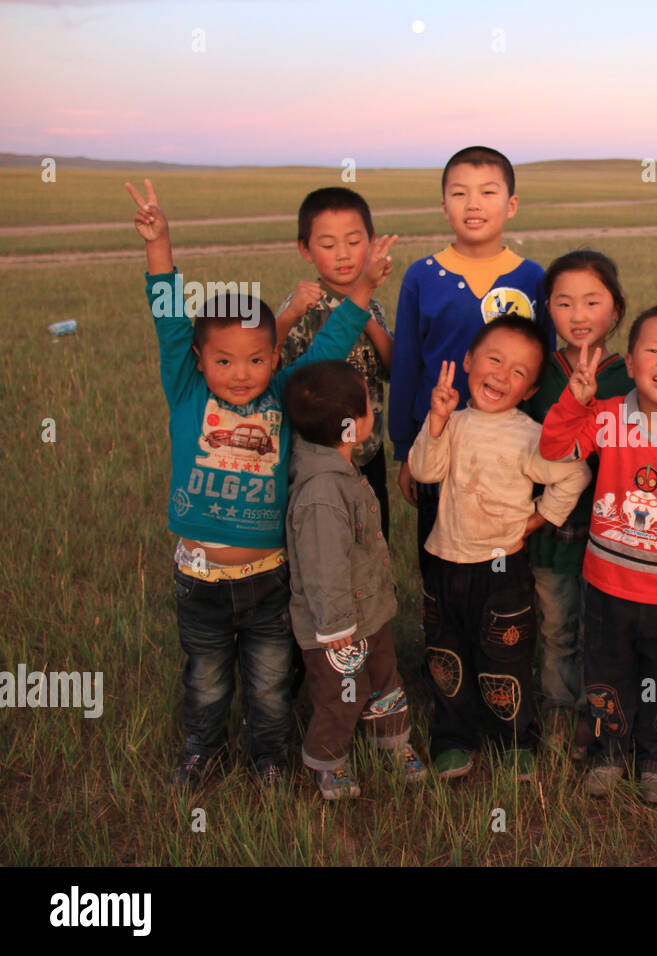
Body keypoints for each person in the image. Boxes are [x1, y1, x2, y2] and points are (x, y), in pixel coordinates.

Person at [127, 179, 396, 787]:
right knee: (206, 675)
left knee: (270, 679)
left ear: (276, 358)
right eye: (224, 361)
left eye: (256, 359)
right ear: (199, 362)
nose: (241, 373)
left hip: (269, 576)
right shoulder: (186, 390)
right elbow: (169, 319)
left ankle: (269, 758)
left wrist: (363, 290)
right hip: (199, 576)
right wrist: (160, 244)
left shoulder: (282, 393)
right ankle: (202, 751)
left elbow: (330, 340)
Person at [540, 305, 657, 804]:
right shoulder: (608, 418)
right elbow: (555, 451)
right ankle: (610, 751)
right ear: (629, 362)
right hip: (606, 585)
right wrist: (574, 403)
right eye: (652, 350)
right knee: (608, 675)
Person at [408, 318, 590, 783]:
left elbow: (573, 474)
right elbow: (425, 473)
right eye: (494, 360)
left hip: (501, 566)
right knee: (446, 654)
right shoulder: (451, 422)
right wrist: (436, 420)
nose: (501, 376)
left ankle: (514, 740)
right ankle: (452, 738)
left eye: (519, 372)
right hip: (445, 561)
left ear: (530, 389)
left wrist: (541, 518)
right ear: (469, 361)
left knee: (503, 656)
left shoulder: (529, 433)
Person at [388, 146, 555, 653]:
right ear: (443, 206)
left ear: (512, 204)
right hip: (440, 444)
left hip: (507, 452)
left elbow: (543, 368)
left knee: (503, 563)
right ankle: (445, 659)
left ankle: (502, 662)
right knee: (439, 560)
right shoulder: (422, 276)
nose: (473, 203)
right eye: (459, 193)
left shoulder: (532, 278)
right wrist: (404, 450)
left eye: (487, 192)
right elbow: (407, 364)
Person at [283, 361, 424, 799]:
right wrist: (338, 628)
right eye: (369, 404)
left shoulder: (340, 470)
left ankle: (394, 743)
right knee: (342, 693)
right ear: (350, 426)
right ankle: (329, 761)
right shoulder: (323, 494)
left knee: (385, 680)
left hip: (370, 613)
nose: (374, 410)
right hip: (339, 629)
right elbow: (325, 569)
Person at [519, 250, 633, 760]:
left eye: (593, 301)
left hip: (612, 528)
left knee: (604, 629)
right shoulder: (538, 373)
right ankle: (560, 714)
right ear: (548, 310)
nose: (579, 314)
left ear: (616, 309)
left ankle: (603, 716)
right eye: (564, 303)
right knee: (556, 625)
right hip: (550, 528)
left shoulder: (632, 375)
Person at [275, 186, 394, 538]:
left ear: (371, 241)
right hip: (316, 457)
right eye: (328, 246)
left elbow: (392, 368)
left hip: (368, 452)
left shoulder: (372, 306)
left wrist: (367, 318)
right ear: (305, 249)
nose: (343, 254)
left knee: (373, 536)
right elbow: (272, 377)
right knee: (326, 540)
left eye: (354, 241)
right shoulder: (301, 308)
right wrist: (290, 314)